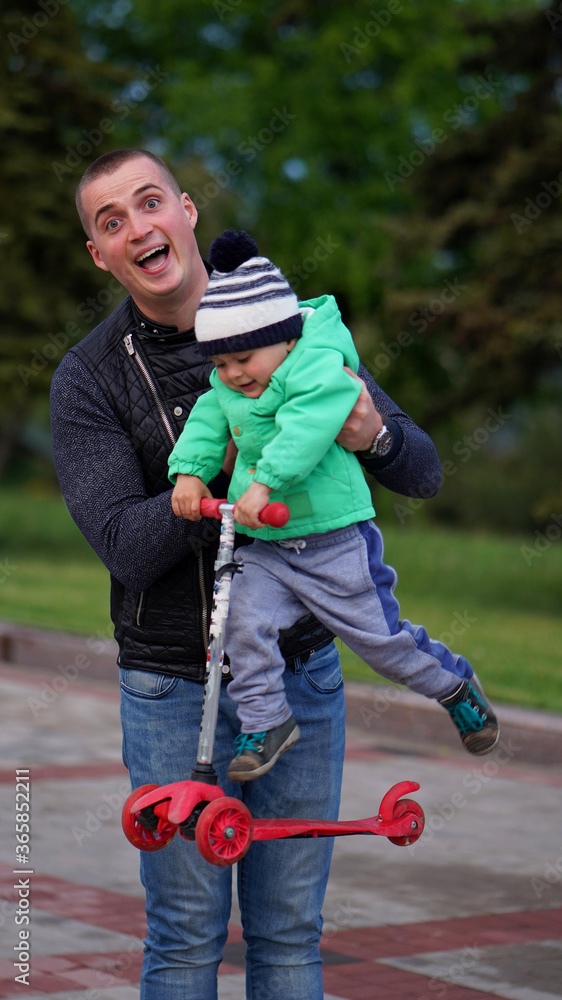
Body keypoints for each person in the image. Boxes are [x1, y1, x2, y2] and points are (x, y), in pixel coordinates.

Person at [51, 147, 448, 1000]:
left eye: (148, 203)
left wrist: (371, 434)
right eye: (110, 221)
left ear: (186, 212)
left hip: (302, 677)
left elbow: (420, 470)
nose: (137, 227)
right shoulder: (87, 378)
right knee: (188, 940)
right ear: (101, 254)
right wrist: (235, 471)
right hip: (171, 691)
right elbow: (124, 541)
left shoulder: (295, 327)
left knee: (291, 939)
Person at [168, 229, 499, 782]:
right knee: (241, 621)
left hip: (334, 540)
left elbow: (308, 425)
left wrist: (263, 483)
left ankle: (454, 686)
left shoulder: (318, 367)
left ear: (285, 340)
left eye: (243, 358)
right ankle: (267, 720)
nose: (233, 375)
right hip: (271, 547)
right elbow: (207, 418)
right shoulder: (230, 383)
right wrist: (190, 474)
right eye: (220, 363)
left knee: (382, 643)